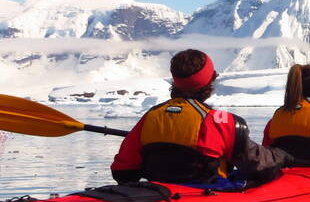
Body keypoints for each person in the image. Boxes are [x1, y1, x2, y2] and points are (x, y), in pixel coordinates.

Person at [111, 49, 285, 187]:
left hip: (159, 195)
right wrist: (282, 156)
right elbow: (260, 167)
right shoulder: (221, 122)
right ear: (209, 82)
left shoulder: (150, 117)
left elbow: (123, 172)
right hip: (207, 198)